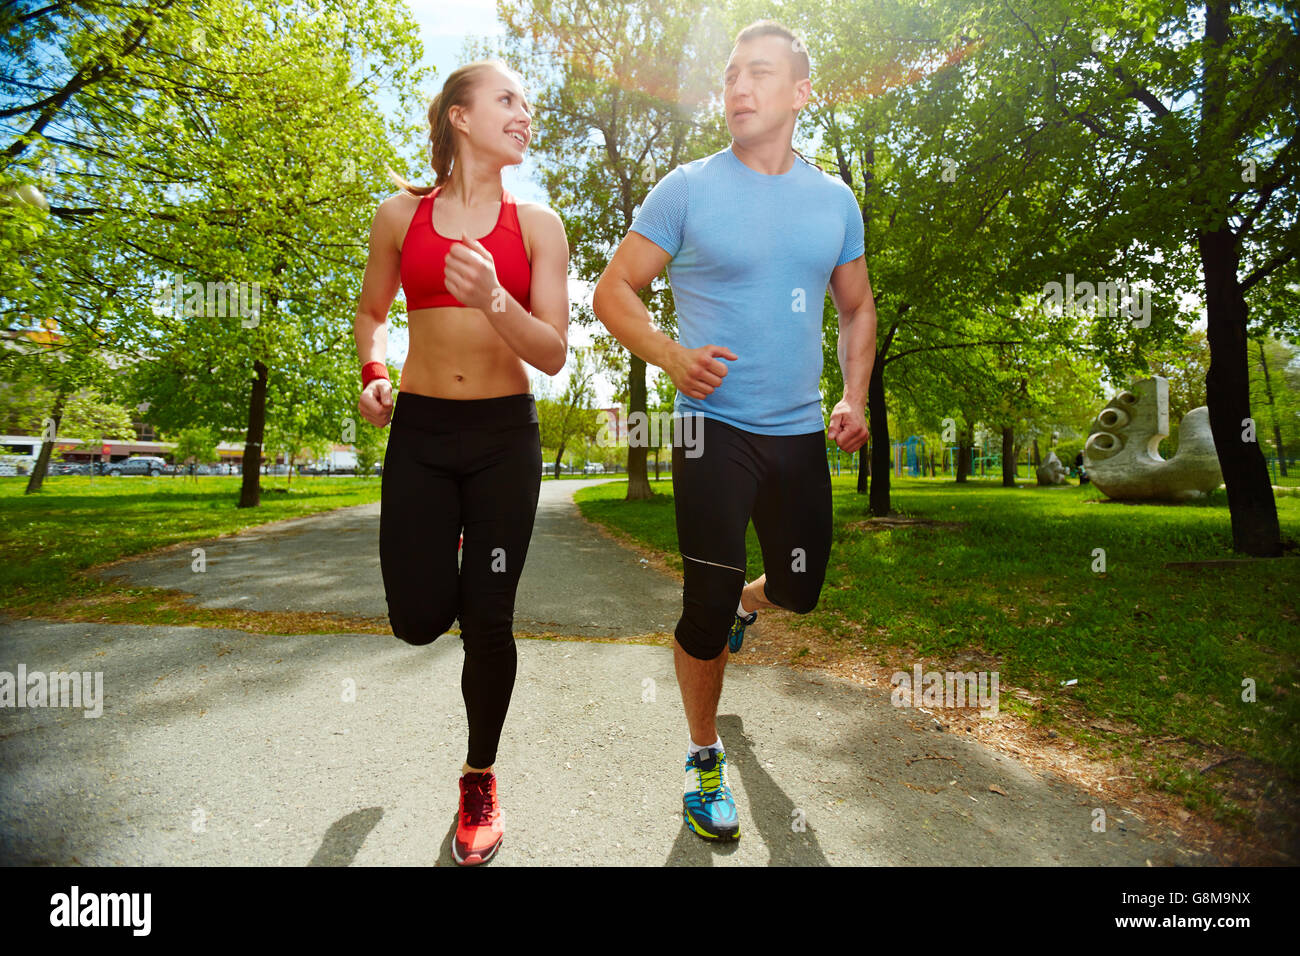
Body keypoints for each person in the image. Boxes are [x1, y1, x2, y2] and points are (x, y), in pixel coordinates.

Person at [593, 20, 877, 842]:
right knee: (704, 597)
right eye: (728, 76)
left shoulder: (834, 201)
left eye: (758, 73)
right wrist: (671, 357)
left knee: (798, 589)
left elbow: (856, 306)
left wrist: (853, 394)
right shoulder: (687, 188)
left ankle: (753, 606)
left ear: (800, 92)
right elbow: (615, 290)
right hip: (708, 428)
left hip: (795, 433)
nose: (738, 90)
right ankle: (703, 754)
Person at [353, 59, 569, 865]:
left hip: (504, 441)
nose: (524, 114)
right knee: (416, 622)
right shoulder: (399, 216)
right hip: (420, 434)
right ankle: (446, 556)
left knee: (490, 619)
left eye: (528, 104)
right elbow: (372, 313)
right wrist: (374, 374)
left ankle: (479, 777)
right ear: (460, 117)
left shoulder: (539, 226)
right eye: (508, 100)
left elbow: (551, 352)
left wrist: (493, 299)